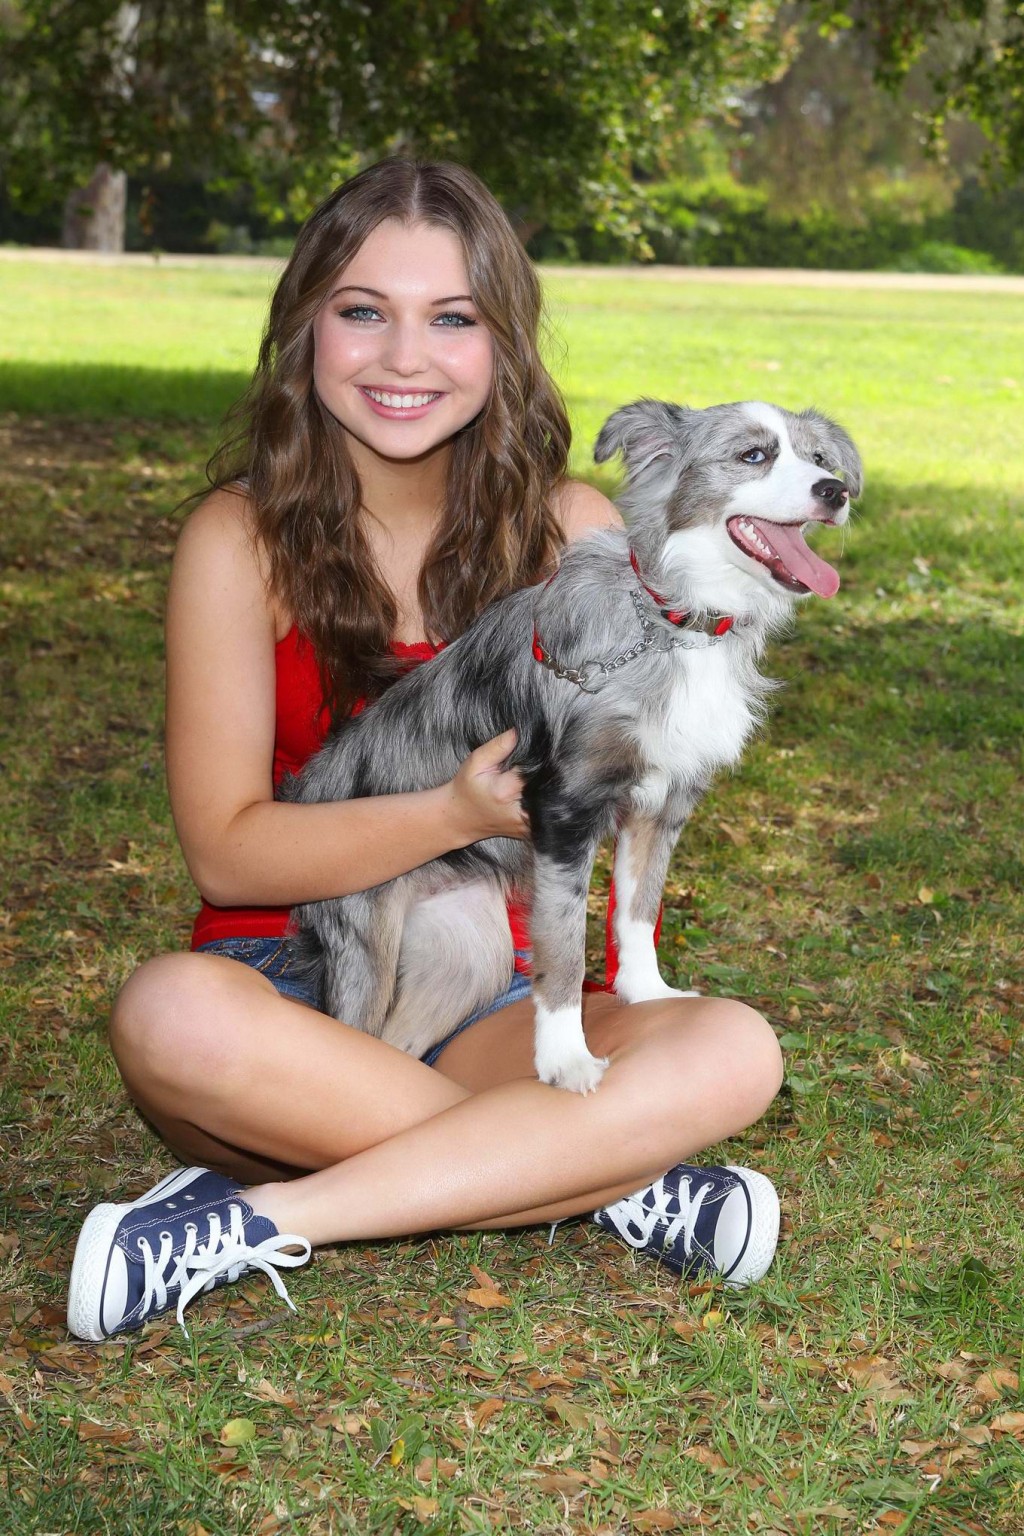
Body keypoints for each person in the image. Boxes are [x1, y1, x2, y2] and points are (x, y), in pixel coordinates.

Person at [66, 160, 784, 1343]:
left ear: (503, 345)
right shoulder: (235, 540)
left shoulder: (576, 533)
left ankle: (257, 1221)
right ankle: (608, 1179)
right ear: (304, 329)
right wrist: (456, 810)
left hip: (497, 999)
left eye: (452, 319)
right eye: (364, 311)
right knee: (165, 1013)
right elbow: (232, 858)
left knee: (734, 1049)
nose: (405, 357)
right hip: (285, 999)